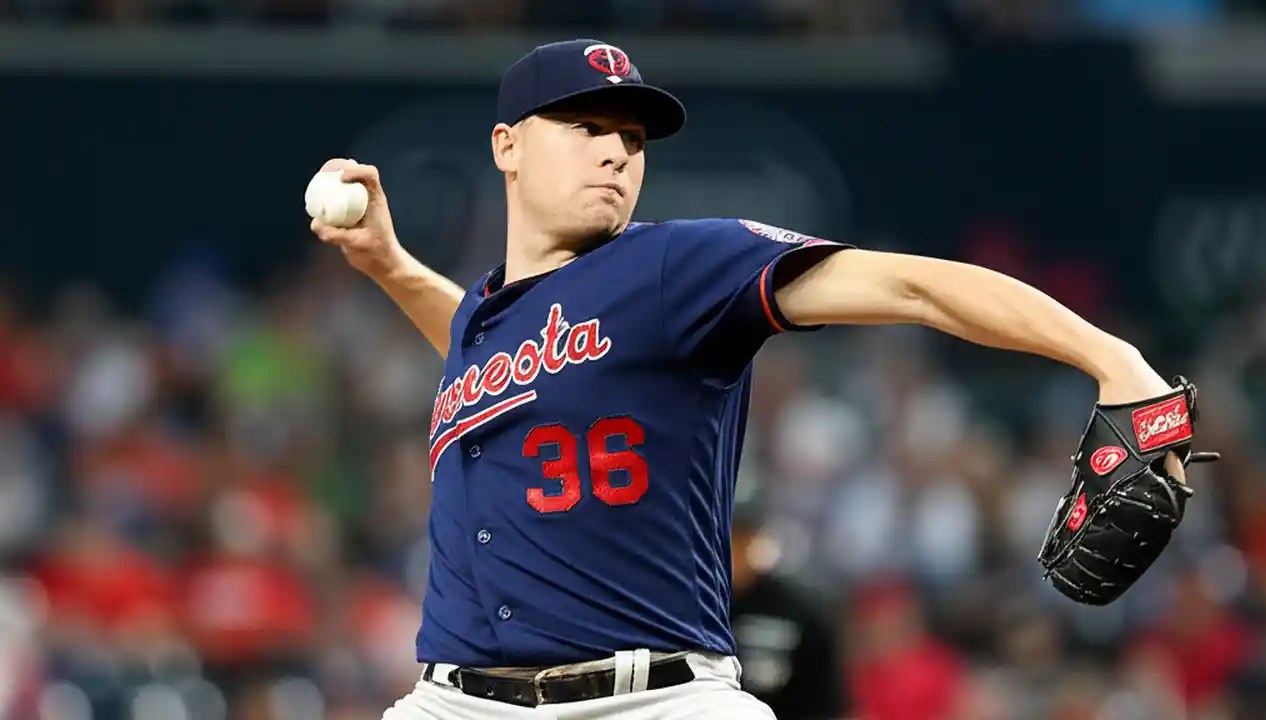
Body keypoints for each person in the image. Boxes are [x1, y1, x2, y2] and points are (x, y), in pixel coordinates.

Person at [309, 38, 1188, 720]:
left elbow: (914, 286)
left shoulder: (677, 267)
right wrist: (390, 266)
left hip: (656, 698)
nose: (617, 153)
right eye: (587, 129)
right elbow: (474, 343)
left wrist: (1115, 359)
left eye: (631, 137)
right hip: (456, 699)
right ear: (507, 146)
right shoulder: (491, 320)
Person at [730, 485, 845, 719]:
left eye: (742, 536)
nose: (733, 549)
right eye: (726, 536)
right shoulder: (682, 606)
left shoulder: (797, 613)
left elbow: (825, 703)